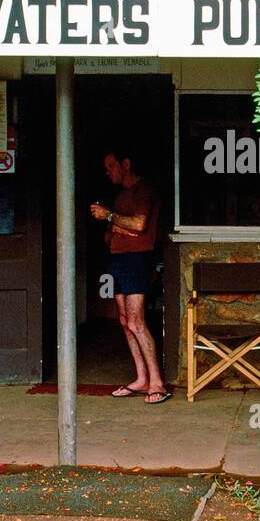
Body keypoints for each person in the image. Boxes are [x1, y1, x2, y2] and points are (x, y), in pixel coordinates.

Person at [89, 146, 170, 404]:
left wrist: (111, 216)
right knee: (124, 321)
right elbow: (113, 232)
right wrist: (115, 224)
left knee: (137, 321)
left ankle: (157, 382)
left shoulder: (143, 190)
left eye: (110, 166)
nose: (107, 172)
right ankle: (141, 378)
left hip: (137, 260)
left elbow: (139, 225)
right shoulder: (121, 195)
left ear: (125, 164)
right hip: (119, 259)